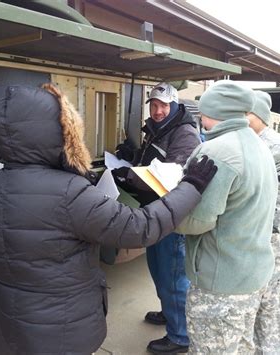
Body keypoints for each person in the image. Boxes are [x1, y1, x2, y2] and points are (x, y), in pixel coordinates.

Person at [0, 83, 217, 354]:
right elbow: (141, 227)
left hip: (17, 325)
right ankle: (178, 331)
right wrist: (192, 187)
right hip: (66, 331)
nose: (158, 110)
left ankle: (175, 325)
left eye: (164, 105)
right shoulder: (68, 192)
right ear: (56, 133)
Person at [176, 80, 279, 354]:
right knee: (240, 347)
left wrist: (167, 206)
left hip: (220, 284)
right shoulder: (260, 146)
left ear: (213, 110)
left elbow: (197, 221)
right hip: (251, 275)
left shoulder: (217, 151)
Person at [115, 82, 200, 353]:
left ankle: (180, 336)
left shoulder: (184, 134)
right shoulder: (157, 130)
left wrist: (129, 176)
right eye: (154, 105)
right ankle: (169, 313)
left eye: (164, 106)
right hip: (155, 213)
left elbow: (170, 177)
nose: (158, 110)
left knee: (173, 274)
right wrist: (131, 159)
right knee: (158, 269)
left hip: (172, 216)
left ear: (174, 106)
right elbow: (151, 164)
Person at [247, 90, 280, 354]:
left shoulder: (274, 147)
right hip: (262, 246)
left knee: (269, 321)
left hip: (275, 247)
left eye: (244, 113)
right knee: (256, 318)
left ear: (257, 115)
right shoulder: (255, 143)